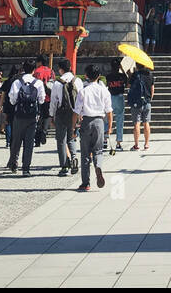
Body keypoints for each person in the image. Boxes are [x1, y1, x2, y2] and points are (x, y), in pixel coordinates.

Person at [74, 64, 112, 192]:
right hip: (99, 121)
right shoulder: (104, 90)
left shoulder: (83, 91)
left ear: (86, 76)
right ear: (99, 76)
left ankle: (86, 183)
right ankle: (98, 165)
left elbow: (77, 110)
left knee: (85, 153)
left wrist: (74, 126)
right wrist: (110, 126)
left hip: (86, 121)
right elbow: (109, 110)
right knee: (98, 150)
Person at [6, 60, 46, 176]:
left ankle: (13, 163)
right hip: (32, 116)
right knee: (29, 143)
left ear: (23, 68)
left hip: (19, 115)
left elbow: (12, 99)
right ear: (34, 70)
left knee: (16, 141)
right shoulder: (38, 83)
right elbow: (42, 99)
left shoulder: (17, 82)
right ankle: (26, 168)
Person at [50, 59, 79, 176]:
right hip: (75, 112)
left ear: (61, 69)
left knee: (61, 140)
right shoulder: (78, 81)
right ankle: (74, 157)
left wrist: (51, 116)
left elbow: (53, 101)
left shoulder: (57, 83)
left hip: (62, 112)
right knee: (71, 137)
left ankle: (64, 166)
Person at [105, 58, 129, 155]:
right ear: (119, 66)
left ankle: (105, 140)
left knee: (107, 120)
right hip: (119, 97)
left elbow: (108, 85)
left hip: (110, 97)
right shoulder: (122, 76)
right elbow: (127, 83)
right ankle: (118, 143)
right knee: (119, 120)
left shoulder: (108, 76)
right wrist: (122, 69)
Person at [127, 65, 153, 150]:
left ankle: (136, 144)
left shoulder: (135, 74)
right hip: (147, 101)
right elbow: (152, 88)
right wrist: (150, 98)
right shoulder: (150, 74)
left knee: (137, 123)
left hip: (136, 102)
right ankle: (146, 144)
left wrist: (129, 75)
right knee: (146, 122)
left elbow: (129, 86)